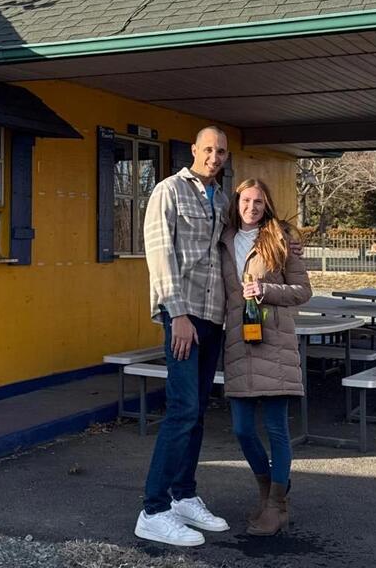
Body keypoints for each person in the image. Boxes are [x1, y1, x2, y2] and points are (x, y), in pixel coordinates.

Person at [134, 126, 232, 548]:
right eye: (208, 149)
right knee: (182, 409)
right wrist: (176, 313)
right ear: (194, 150)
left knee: (198, 412)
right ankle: (152, 510)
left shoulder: (223, 198)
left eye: (221, 151)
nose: (214, 156)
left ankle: (183, 494)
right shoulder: (168, 191)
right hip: (184, 315)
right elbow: (160, 255)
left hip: (212, 317)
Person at [219, 178, 312, 536]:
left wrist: (266, 290)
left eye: (258, 202)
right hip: (239, 342)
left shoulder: (281, 238)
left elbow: (303, 291)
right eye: (246, 200)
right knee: (242, 429)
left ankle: (276, 505)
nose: (251, 207)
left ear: (266, 205)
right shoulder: (224, 240)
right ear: (236, 203)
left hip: (274, 342)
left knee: (276, 429)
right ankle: (269, 489)